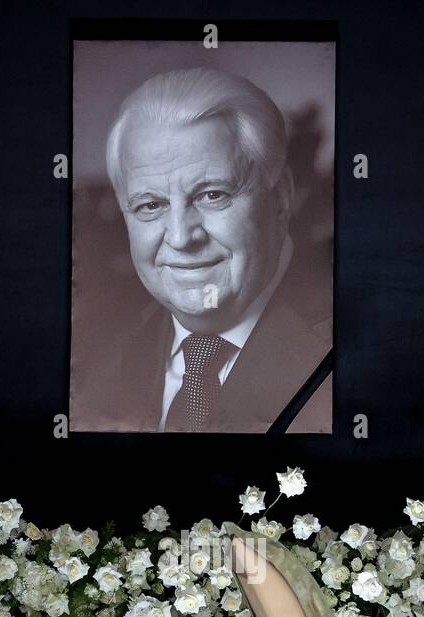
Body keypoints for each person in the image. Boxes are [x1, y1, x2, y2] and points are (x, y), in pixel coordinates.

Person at [71, 67, 331, 434]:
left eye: (213, 195)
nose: (180, 237)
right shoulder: (96, 370)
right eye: (150, 205)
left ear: (280, 199)